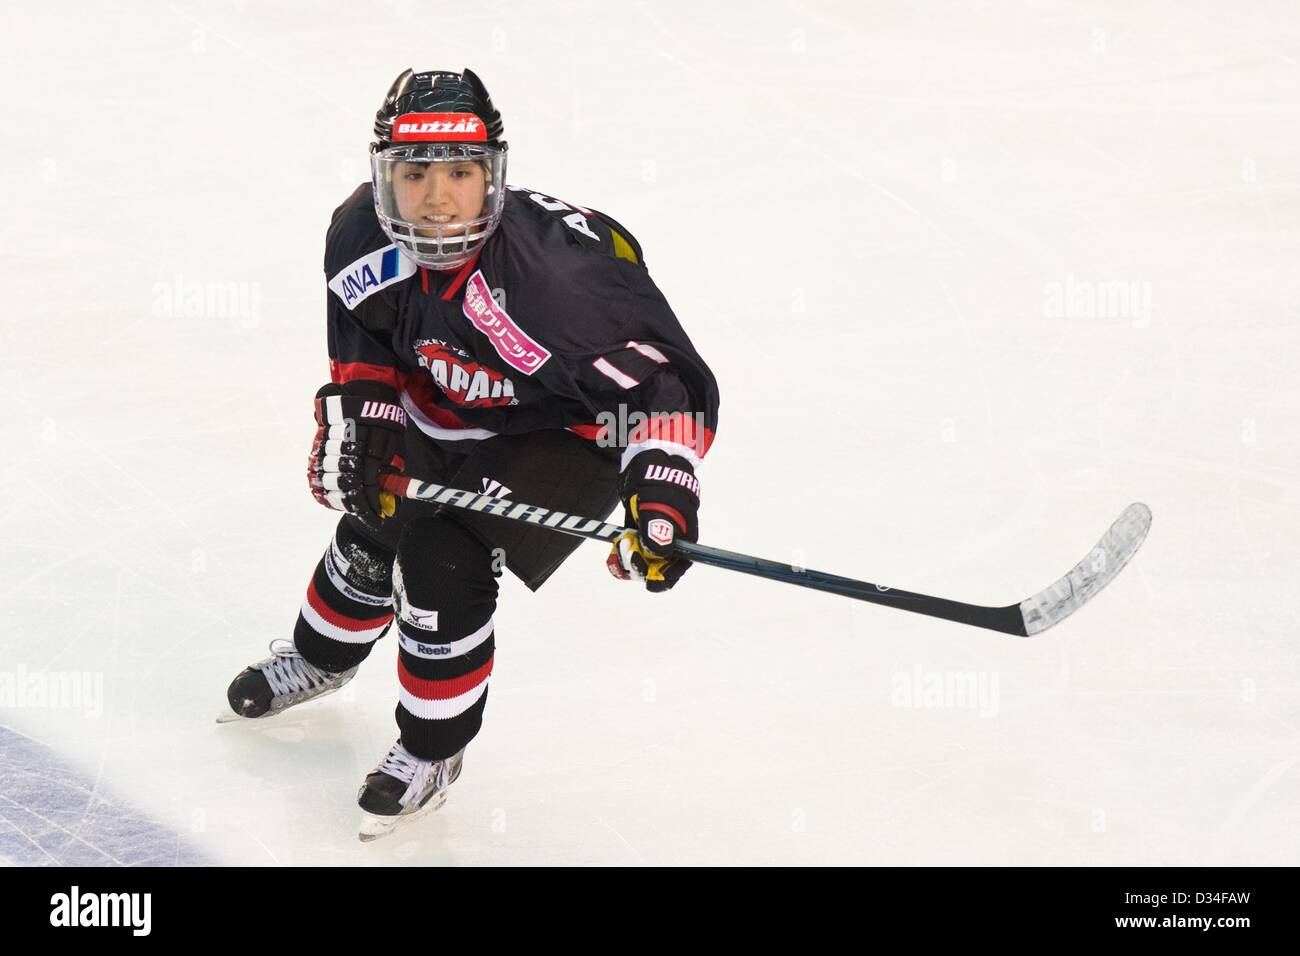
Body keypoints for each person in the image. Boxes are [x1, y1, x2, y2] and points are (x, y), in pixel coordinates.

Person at [221, 68, 719, 841]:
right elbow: (365, 341)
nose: (437, 197)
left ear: (494, 175)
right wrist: (371, 422)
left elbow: (664, 388)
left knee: (441, 553)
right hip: (452, 400)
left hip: (567, 433)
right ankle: (322, 657)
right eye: (415, 174)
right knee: (374, 518)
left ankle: (432, 751)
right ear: (386, 175)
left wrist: (659, 495)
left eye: (460, 172)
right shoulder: (360, 232)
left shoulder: (559, 284)